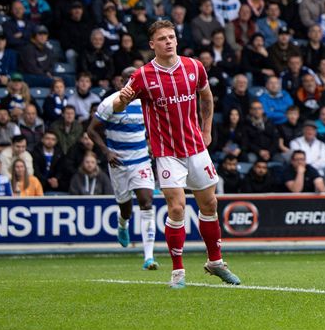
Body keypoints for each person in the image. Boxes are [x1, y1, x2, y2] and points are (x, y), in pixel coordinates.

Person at [113, 20, 241, 289]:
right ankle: (178, 272)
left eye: (171, 37)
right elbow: (117, 105)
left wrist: (207, 130)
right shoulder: (143, 75)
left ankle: (215, 262)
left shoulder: (194, 67)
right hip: (167, 152)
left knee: (210, 205)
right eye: (162, 38)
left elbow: (207, 97)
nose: (168, 42)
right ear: (153, 44)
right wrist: (122, 99)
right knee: (177, 207)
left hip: (196, 148)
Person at [89, 67, 159, 270]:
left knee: (146, 202)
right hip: (118, 163)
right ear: (120, 82)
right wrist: (106, 152)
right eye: (128, 79)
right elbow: (91, 130)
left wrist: (152, 145)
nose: (132, 82)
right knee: (126, 208)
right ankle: (122, 223)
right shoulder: (110, 103)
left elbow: (153, 126)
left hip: (140, 161)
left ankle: (149, 258)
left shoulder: (146, 102)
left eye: (135, 79)